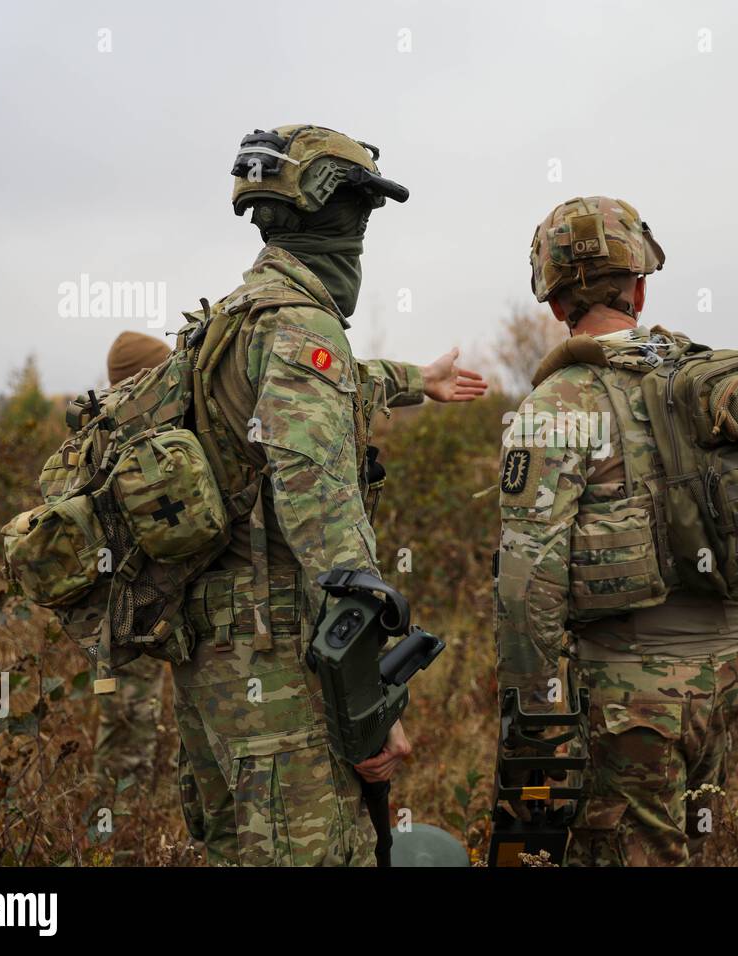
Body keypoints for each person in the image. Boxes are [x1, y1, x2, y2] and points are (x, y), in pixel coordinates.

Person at [173, 124, 486, 866]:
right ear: (331, 212)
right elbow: (326, 526)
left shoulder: (229, 320)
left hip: (209, 662)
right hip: (277, 664)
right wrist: (368, 711)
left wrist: (420, 379)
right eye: (361, 216)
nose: (362, 235)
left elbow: (328, 383)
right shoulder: (298, 325)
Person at [493, 196, 738, 866]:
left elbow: (525, 583)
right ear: (641, 284)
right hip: (724, 678)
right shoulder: (707, 378)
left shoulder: (558, 403)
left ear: (553, 301)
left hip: (629, 699)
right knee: (698, 847)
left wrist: (534, 718)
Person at [91, 332, 174, 791]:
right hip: (124, 609)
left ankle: (119, 824)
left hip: (114, 610)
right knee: (129, 728)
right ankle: (115, 837)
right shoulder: (125, 439)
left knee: (124, 720)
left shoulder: (98, 432)